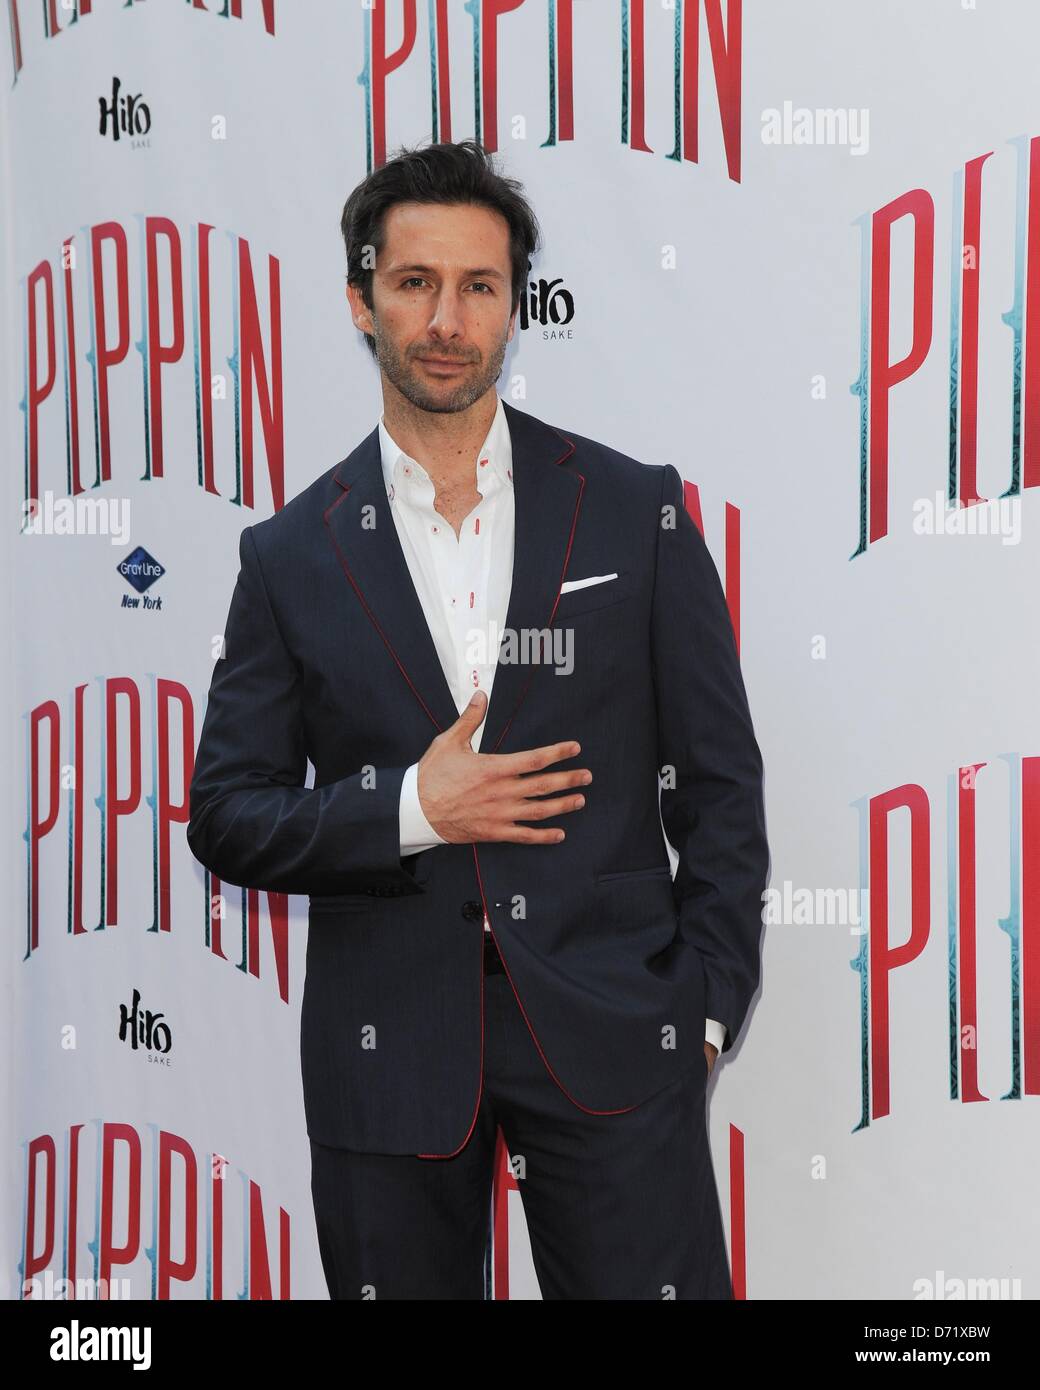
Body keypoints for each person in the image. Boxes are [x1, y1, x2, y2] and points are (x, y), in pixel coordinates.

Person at [187, 139, 769, 1300]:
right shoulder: (290, 554)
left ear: (516, 305)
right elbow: (225, 813)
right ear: (361, 299)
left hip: (616, 1030)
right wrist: (412, 806)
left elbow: (719, 783)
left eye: (478, 286)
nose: (445, 317)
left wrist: (701, 1010)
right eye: (413, 283)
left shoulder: (633, 511)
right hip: (387, 1050)